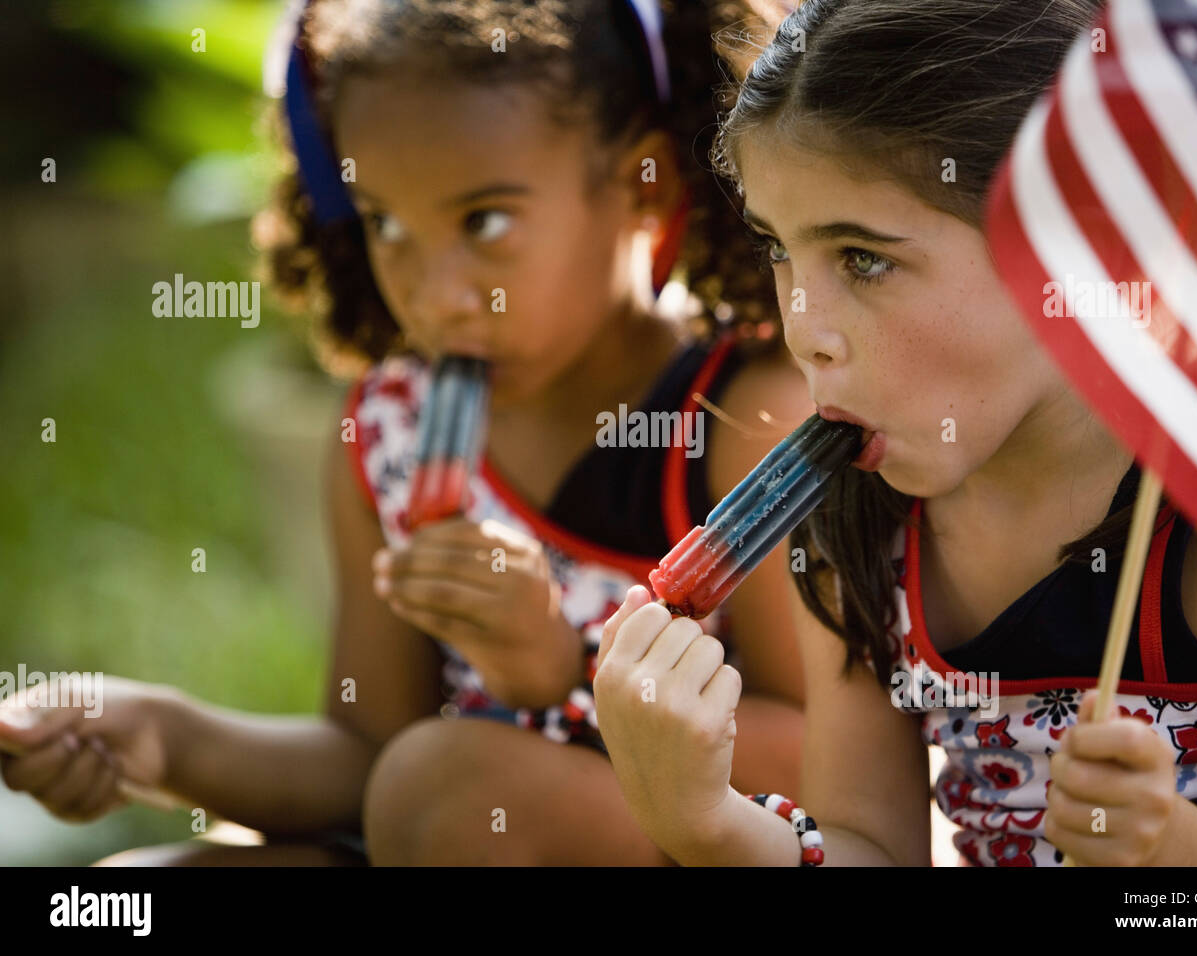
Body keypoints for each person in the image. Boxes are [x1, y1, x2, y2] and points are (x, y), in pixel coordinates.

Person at [0, 0, 810, 866]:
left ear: (642, 179)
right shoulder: (390, 430)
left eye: (484, 223)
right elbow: (366, 752)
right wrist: (167, 740)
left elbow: (823, 752)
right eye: (385, 222)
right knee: (126, 891)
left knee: (451, 786)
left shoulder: (740, 423)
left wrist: (562, 674)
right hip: (435, 829)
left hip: (680, 840)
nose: (432, 293)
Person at [593, 0, 1197, 866]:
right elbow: (871, 847)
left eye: (863, 258)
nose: (804, 327)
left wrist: (1181, 854)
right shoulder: (855, 526)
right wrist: (702, 820)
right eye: (780, 249)